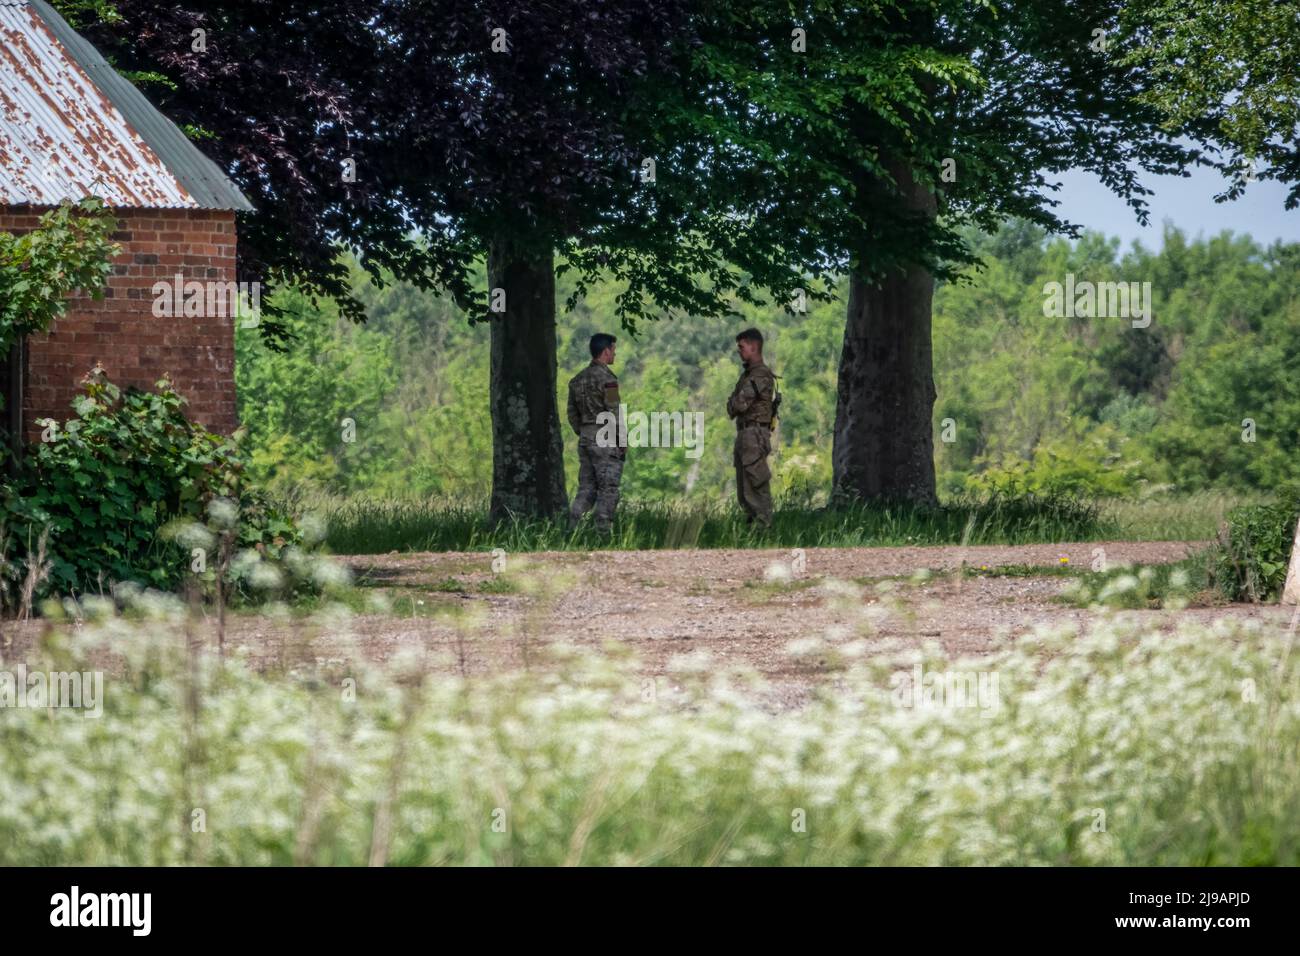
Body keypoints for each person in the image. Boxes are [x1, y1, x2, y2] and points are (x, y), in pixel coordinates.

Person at [567, 333, 625, 533]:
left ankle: (572, 529)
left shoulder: (577, 380)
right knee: (608, 489)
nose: (614, 354)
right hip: (605, 440)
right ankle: (603, 534)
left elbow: (572, 413)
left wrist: (584, 432)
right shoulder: (608, 380)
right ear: (606, 351)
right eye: (613, 350)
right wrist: (621, 440)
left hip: (585, 439)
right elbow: (614, 411)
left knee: (586, 489)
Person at [726, 327, 776, 529]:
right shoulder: (748, 375)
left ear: (754, 347)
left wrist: (735, 403)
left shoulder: (760, 375)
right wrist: (735, 403)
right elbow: (732, 406)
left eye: (742, 346)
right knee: (744, 489)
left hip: (754, 434)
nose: (739, 351)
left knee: (756, 484)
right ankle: (753, 530)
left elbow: (738, 404)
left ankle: (764, 528)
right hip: (746, 434)